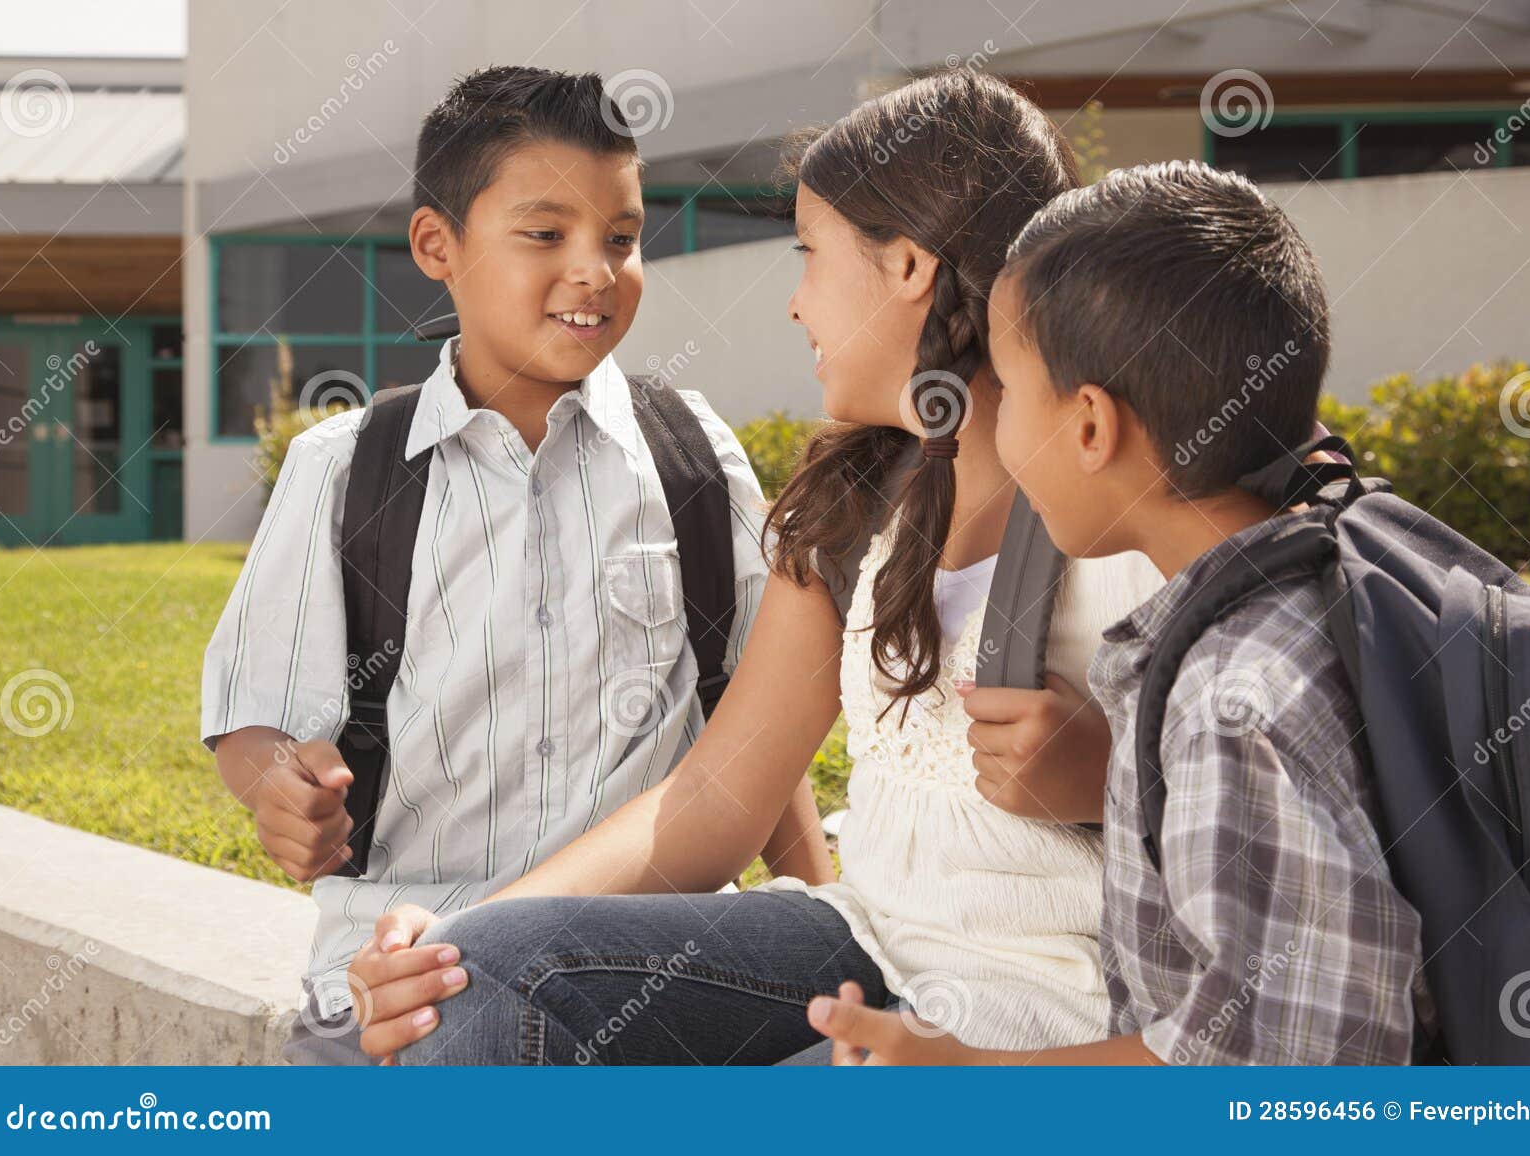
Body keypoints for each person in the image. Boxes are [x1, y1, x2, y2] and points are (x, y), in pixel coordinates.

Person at [355, 70, 1164, 1066]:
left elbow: (1274, 815)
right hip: (861, 940)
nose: (794, 302)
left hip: (1044, 1005)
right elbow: (713, 800)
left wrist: (1111, 778)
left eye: (810, 255)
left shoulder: (1127, 492)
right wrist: (446, 945)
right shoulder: (852, 498)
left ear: (907, 265)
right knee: (472, 982)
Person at [199, 66, 829, 1066]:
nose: (594, 271)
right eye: (546, 236)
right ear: (436, 246)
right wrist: (281, 784)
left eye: (621, 239)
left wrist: (819, 907)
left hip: (644, 968)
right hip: (396, 975)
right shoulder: (345, 470)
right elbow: (254, 714)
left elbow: (757, 726)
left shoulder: (691, 457)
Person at [809, 160, 1435, 1065]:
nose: (1000, 435)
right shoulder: (1284, 598)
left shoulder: (1237, 692)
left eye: (1014, 397)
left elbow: (1284, 1075)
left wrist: (972, 1077)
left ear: (1092, 428)